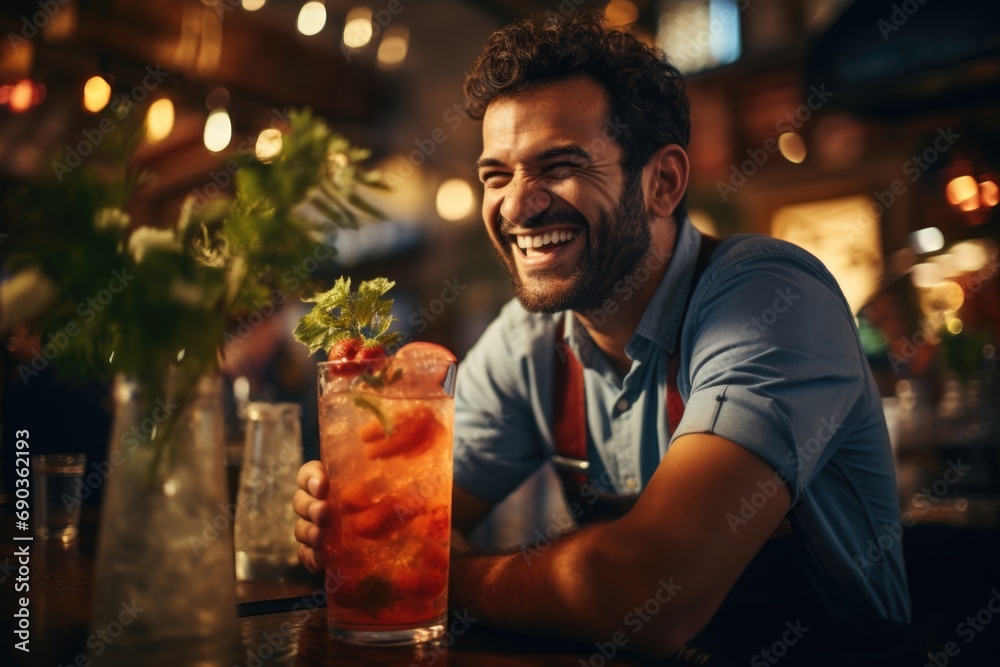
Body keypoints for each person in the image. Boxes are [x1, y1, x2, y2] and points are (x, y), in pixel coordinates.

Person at [293, 13, 919, 664]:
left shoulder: (772, 302)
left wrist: (431, 578)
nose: (515, 206)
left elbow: (644, 585)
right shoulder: (530, 340)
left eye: (559, 165)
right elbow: (398, 525)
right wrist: (344, 522)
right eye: (495, 175)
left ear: (663, 182)